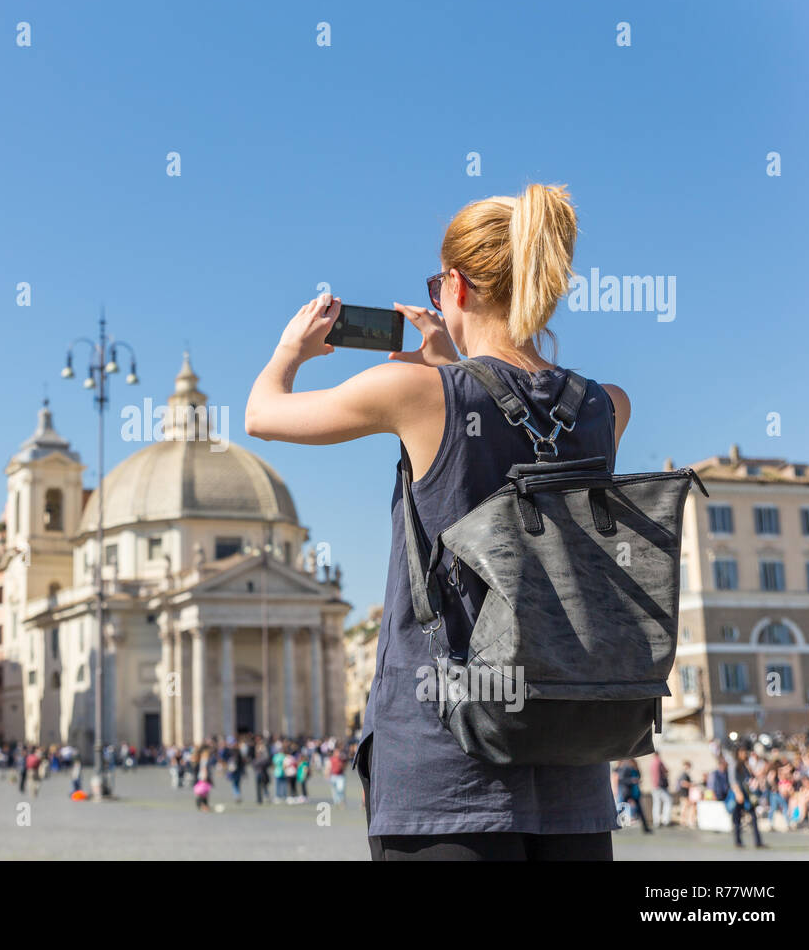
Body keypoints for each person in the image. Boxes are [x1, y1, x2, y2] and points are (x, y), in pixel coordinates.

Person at [246, 184, 625, 861]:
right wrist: (451, 370)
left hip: (445, 773)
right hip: (572, 774)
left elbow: (262, 415)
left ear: (455, 285)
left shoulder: (416, 393)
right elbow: (511, 432)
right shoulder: (606, 407)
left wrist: (291, 349)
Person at [727, 744, 768, 850]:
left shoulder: (745, 765)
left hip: (746, 794)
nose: (744, 754)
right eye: (742, 752)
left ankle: (758, 841)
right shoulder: (733, 764)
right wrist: (737, 793)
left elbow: (749, 778)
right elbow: (733, 780)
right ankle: (738, 841)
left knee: (753, 817)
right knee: (737, 819)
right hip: (738, 794)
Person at [615, 758, 651, 834]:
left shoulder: (636, 769)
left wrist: (637, 781)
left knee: (640, 810)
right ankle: (615, 826)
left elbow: (639, 777)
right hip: (627, 792)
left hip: (635, 792)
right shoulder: (626, 768)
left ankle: (645, 828)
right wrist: (631, 780)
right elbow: (621, 780)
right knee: (621, 809)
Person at [650, 755, 672, 828]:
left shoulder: (652, 763)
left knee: (656, 803)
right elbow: (666, 770)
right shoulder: (659, 762)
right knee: (668, 801)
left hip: (654, 786)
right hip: (660, 786)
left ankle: (656, 821)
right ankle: (666, 820)